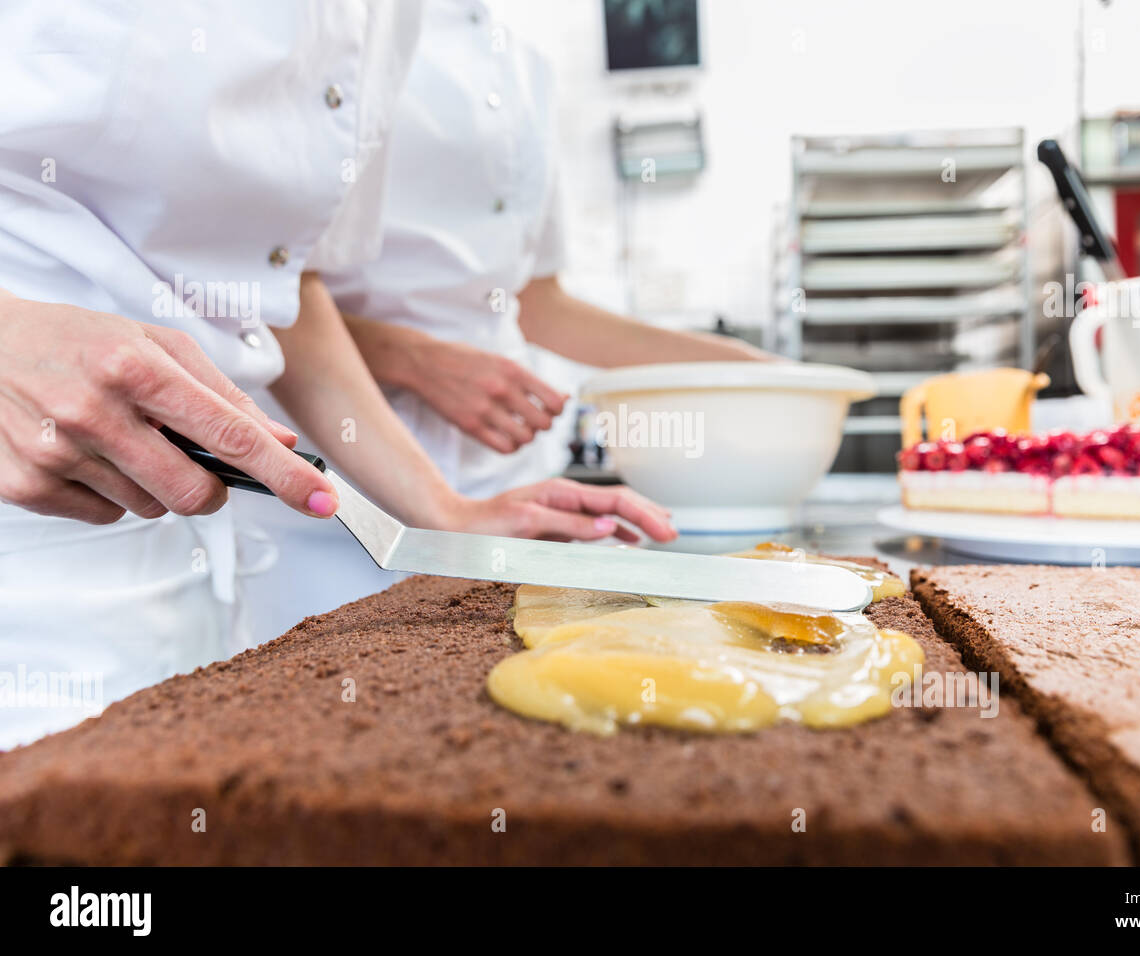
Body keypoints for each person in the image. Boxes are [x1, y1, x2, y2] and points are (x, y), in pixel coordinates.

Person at [0, 0, 669, 748]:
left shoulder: (385, 20)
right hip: (25, 538)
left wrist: (441, 512)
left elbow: (288, 284)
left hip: (195, 536)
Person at [237, 0, 766, 641]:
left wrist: (751, 368)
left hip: (507, 483)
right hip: (337, 498)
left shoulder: (526, 57)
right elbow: (262, 277)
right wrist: (411, 356)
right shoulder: (333, 25)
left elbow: (541, 307)